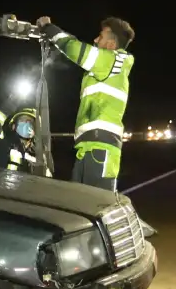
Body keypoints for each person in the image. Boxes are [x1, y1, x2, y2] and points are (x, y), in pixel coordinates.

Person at [35, 15, 135, 191]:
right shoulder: (106, 67)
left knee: (96, 206)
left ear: (112, 44)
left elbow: (76, 49)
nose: (95, 40)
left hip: (100, 148)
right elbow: (74, 46)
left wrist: (49, 28)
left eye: (101, 36)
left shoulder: (112, 60)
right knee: (79, 204)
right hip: (88, 147)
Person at [0, 87, 46, 175]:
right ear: (14, 126)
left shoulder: (40, 152)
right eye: (22, 121)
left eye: (30, 122)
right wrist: (12, 103)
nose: (26, 124)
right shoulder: (3, 143)